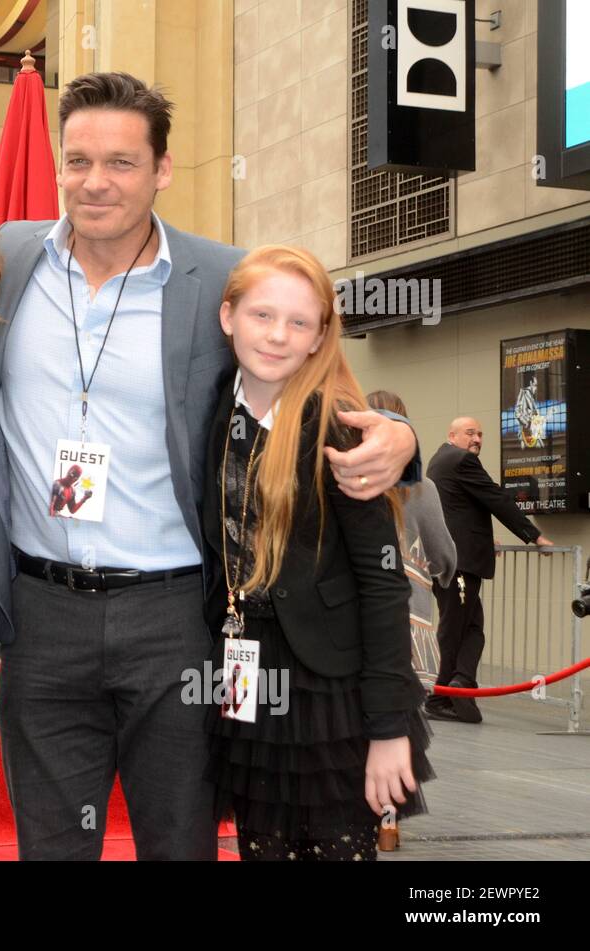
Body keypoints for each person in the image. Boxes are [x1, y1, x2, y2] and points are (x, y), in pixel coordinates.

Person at [0, 73, 423, 859]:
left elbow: (317, 381)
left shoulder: (222, 278)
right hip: (39, 614)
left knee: (178, 839)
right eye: (77, 161)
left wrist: (403, 442)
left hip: (174, 617)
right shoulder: (2, 258)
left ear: (162, 170)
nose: (95, 181)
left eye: (121, 162)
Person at [202, 245, 433, 861]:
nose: (277, 336)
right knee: (262, 848)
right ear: (228, 317)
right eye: (261, 315)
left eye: (299, 322)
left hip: (332, 699)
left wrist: (388, 729)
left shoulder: (342, 429)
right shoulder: (211, 412)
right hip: (244, 686)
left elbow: (385, 585)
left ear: (320, 336)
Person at [365, 390, 455, 851]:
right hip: (411, 624)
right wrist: (440, 573)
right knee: (404, 721)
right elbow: (444, 555)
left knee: (362, 723)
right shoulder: (422, 486)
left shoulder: (350, 468)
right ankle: (388, 818)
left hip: (357, 621)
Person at [425, 417, 552, 724]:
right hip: (459, 562)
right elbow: (495, 497)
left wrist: (482, 535)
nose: (477, 438)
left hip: (449, 558)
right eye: (470, 433)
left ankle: (461, 683)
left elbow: (456, 509)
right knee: (456, 627)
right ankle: (441, 695)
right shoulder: (461, 460)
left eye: (480, 434)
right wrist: (533, 535)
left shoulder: (438, 461)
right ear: (452, 435)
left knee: (471, 628)